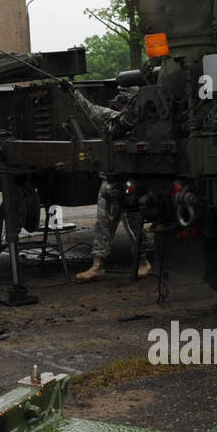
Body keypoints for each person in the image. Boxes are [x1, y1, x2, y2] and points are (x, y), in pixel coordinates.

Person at [64, 73, 151, 281]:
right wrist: (72, 91)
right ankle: (98, 264)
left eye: (124, 100)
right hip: (110, 179)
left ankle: (143, 261)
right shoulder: (112, 118)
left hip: (130, 180)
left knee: (133, 223)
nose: (119, 104)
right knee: (103, 223)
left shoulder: (144, 123)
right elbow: (90, 109)